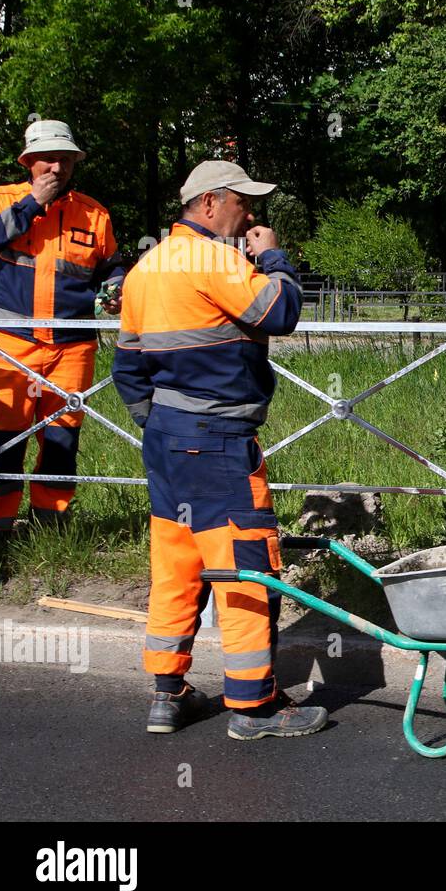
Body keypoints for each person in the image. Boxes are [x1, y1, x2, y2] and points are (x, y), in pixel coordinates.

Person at [113, 160, 326, 739]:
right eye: (242, 202)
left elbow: (127, 367)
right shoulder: (216, 260)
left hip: (165, 442)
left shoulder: (146, 267)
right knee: (244, 569)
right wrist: (275, 258)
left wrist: (160, 424)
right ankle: (254, 707)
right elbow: (279, 313)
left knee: (176, 566)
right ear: (209, 204)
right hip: (221, 444)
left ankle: (167, 694)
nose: (250, 214)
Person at [0, 120, 125, 530]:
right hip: (10, 344)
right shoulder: (1, 199)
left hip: (72, 345)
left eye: (64, 160)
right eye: (47, 159)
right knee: (0, 437)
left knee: (62, 437)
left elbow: (111, 266)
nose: (56, 168)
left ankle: (52, 523)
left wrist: (115, 288)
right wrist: (31, 204)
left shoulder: (94, 212)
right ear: (28, 162)